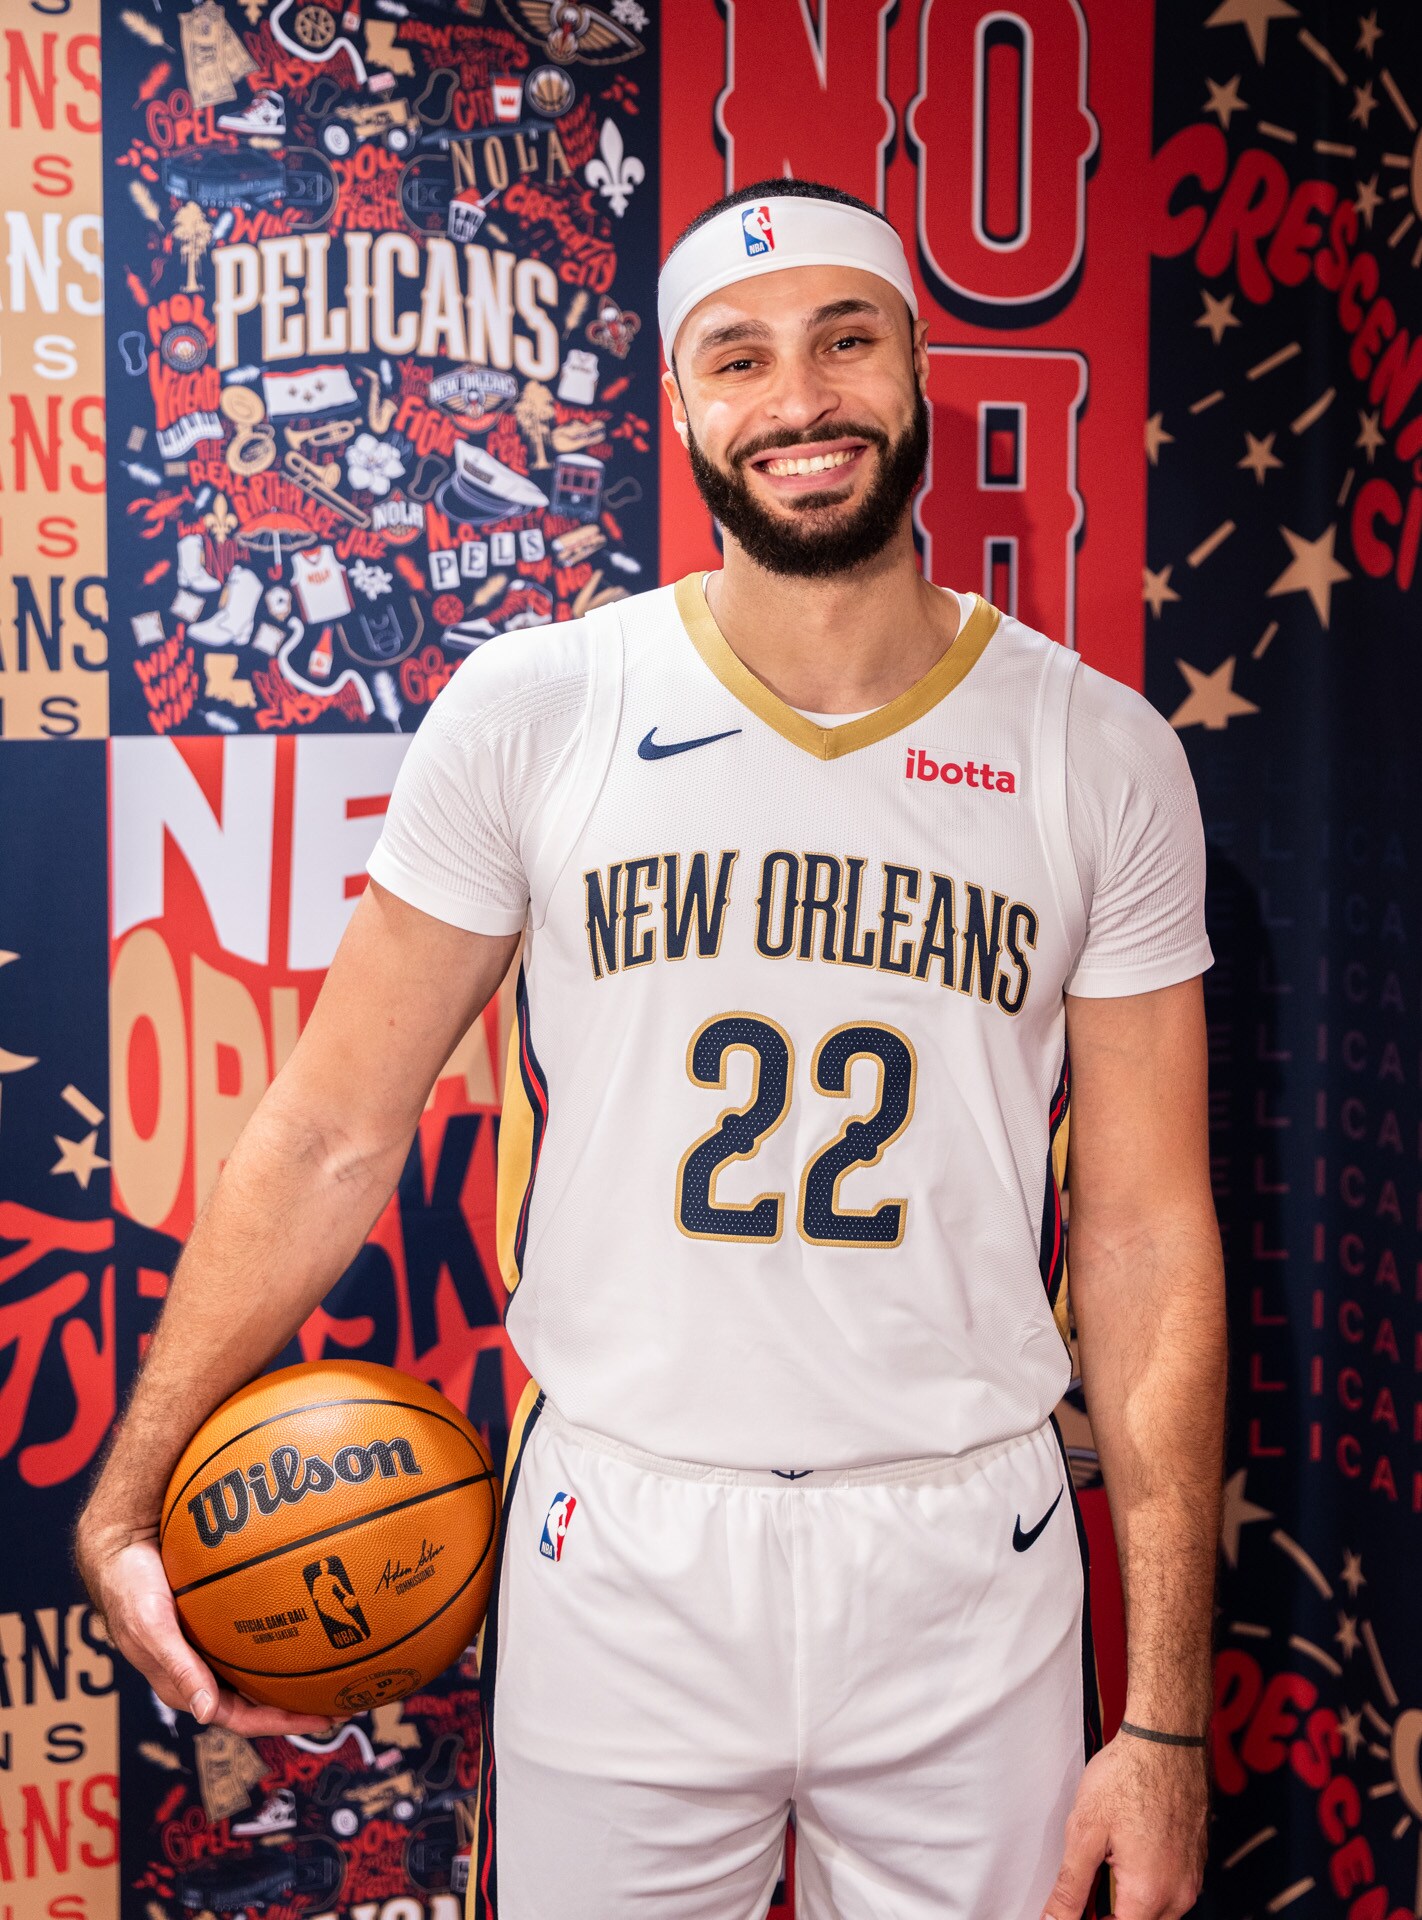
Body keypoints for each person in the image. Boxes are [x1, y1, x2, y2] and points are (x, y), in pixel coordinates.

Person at [77, 179, 1226, 1920]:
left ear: (918, 368)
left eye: (846, 340)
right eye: (739, 358)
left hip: (965, 1550)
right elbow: (327, 1129)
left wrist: (1164, 1727)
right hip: (617, 1535)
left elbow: (1144, 1234)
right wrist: (128, 1490)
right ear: (679, 411)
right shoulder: (539, 707)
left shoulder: (1099, 750)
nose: (800, 398)